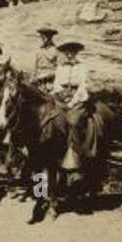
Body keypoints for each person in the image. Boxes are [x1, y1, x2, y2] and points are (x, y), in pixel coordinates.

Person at [52, 41, 91, 170]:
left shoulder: (82, 67)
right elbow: (56, 83)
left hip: (77, 99)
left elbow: (83, 86)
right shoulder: (60, 67)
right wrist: (61, 94)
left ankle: (73, 152)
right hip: (62, 98)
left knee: (73, 121)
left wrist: (72, 101)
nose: (69, 54)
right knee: (52, 118)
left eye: (72, 52)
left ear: (76, 52)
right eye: (67, 52)